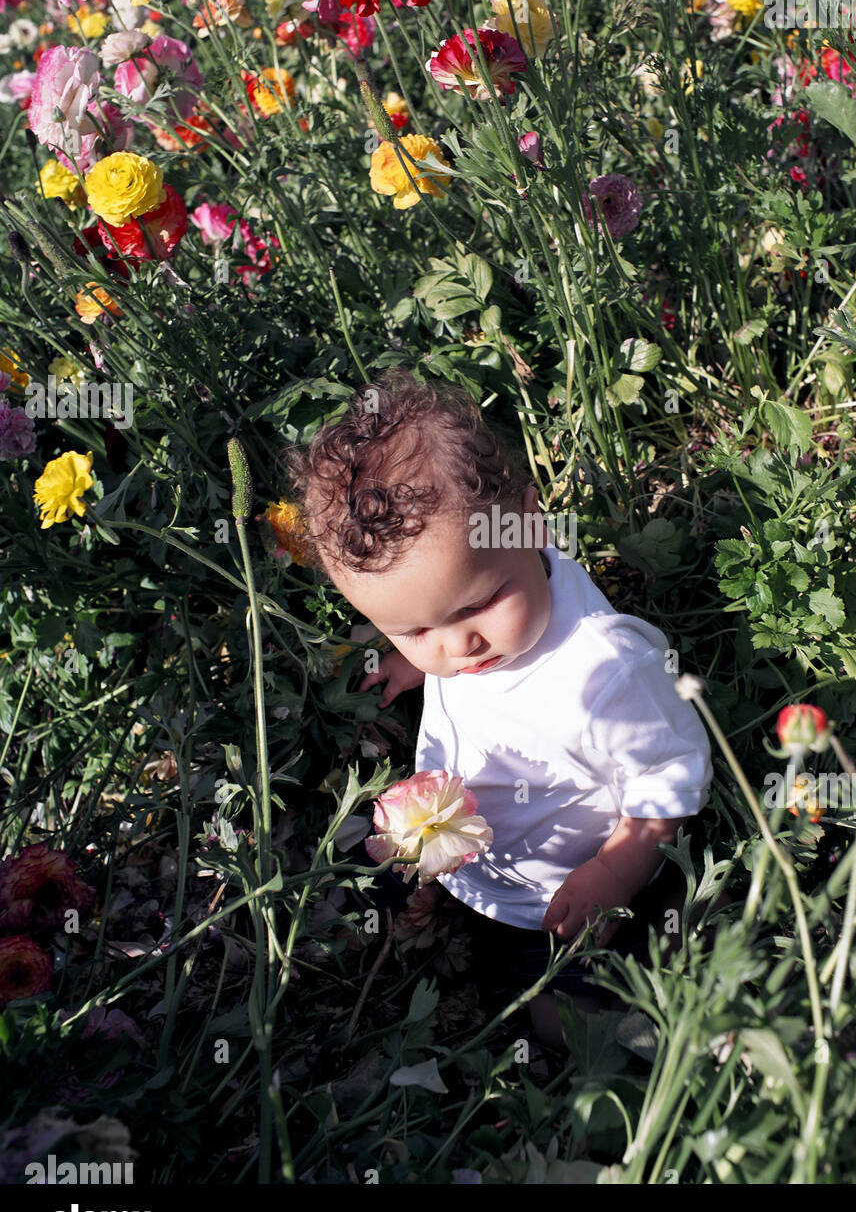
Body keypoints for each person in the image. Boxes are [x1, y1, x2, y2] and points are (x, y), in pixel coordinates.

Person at [285, 369, 713, 1049]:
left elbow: (670, 783)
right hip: (470, 848)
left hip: (556, 892)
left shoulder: (604, 670)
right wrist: (408, 663)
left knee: (553, 1022)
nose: (458, 647)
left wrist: (615, 871)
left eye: (475, 606)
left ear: (528, 521)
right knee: (371, 875)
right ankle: (428, 910)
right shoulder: (472, 606)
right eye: (413, 630)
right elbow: (442, 628)